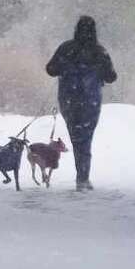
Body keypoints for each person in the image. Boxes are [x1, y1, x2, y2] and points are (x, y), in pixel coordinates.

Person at [46, 16, 117, 190]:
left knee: (76, 137)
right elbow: (111, 77)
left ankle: (82, 176)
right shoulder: (99, 51)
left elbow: (50, 69)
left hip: (69, 99)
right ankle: (83, 177)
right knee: (86, 137)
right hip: (90, 101)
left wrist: (66, 68)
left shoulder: (66, 48)